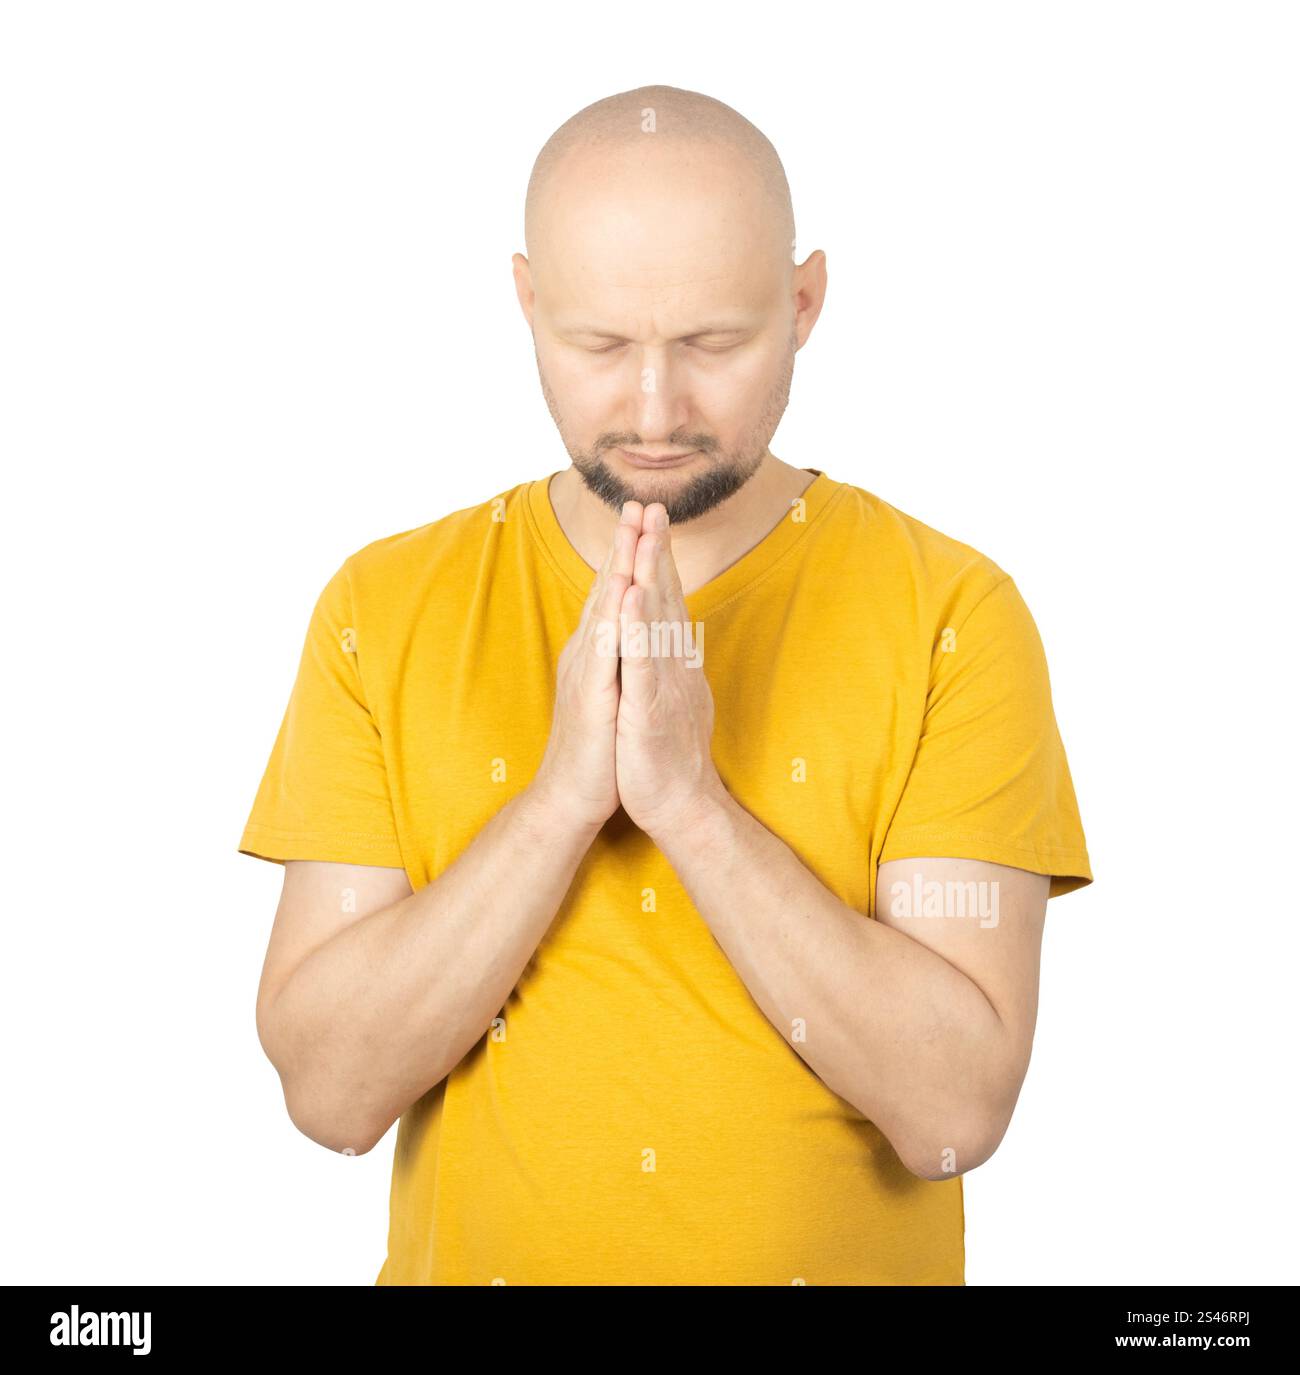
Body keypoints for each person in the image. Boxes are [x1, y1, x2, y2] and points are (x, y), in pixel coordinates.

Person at [239, 84, 1092, 1286]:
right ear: (527, 302)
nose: (652, 411)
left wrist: (690, 805)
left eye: (712, 344)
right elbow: (330, 1095)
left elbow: (954, 1108)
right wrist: (556, 804)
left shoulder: (953, 614)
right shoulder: (381, 609)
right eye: (596, 345)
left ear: (803, 305)